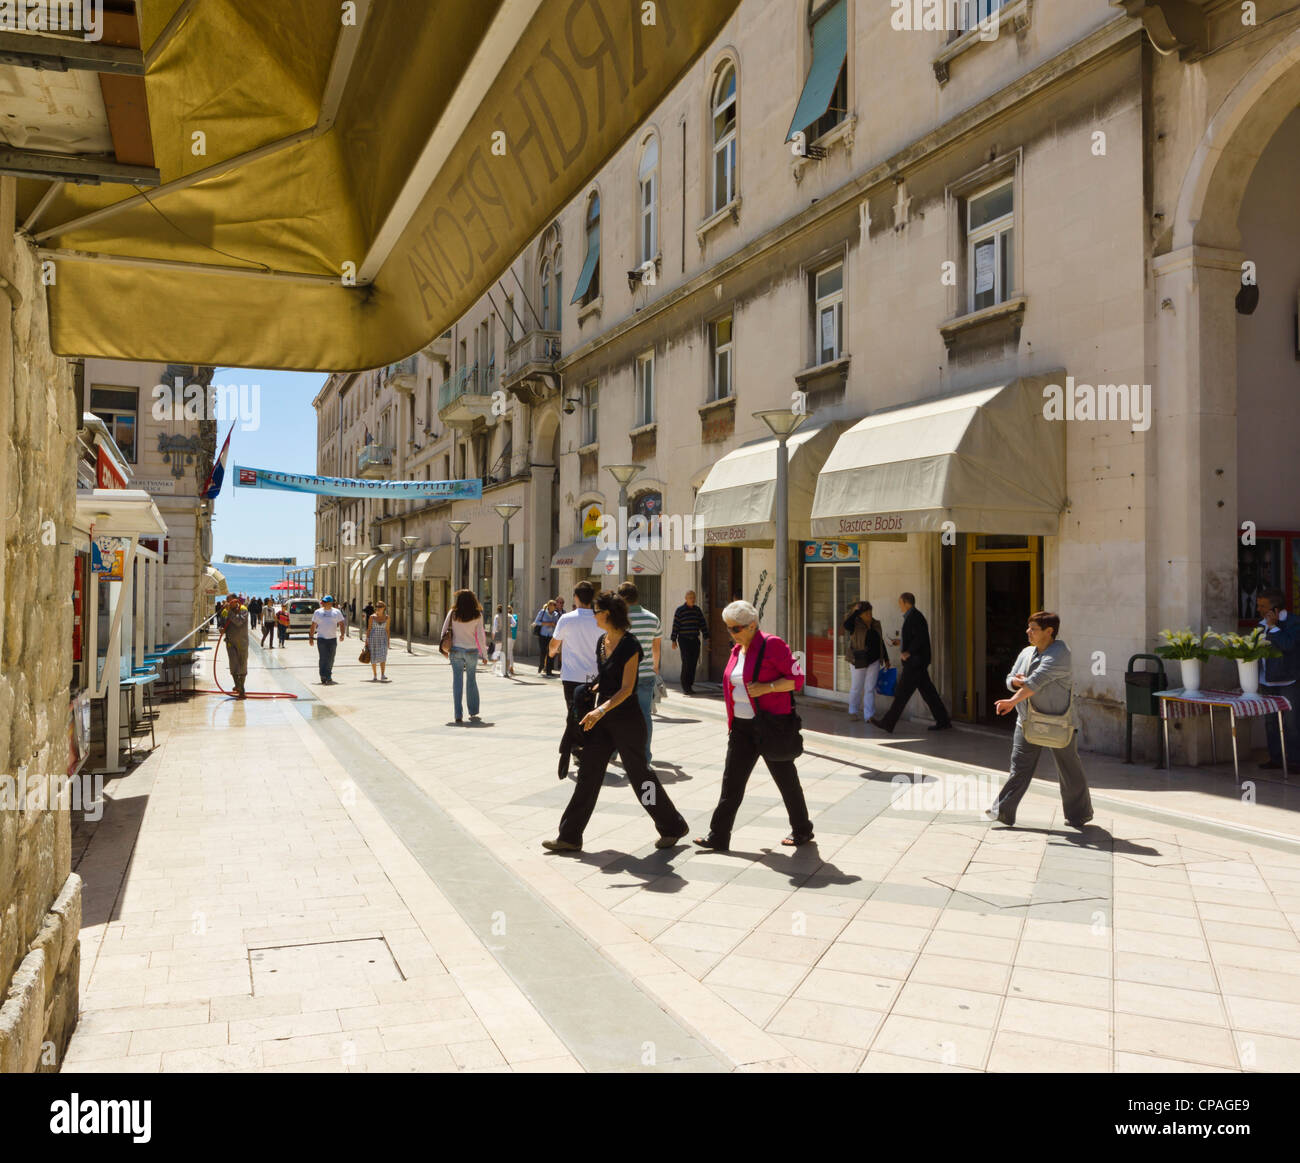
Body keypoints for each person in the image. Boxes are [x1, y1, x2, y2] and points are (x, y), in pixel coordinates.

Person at [543, 592, 689, 853]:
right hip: (604, 720)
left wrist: (599, 710)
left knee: (640, 777)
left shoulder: (630, 644)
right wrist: (591, 690)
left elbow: (626, 688)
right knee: (589, 773)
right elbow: (607, 678)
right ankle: (570, 835)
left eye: (597, 611)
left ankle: (671, 825)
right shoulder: (602, 641)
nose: (594, 615)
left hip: (627, 720)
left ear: (607, 614)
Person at [695, 600, 814, 851]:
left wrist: (767, 688)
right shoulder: (737, 650)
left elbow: (797, 679)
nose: (731, 633)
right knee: (732, 783)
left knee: (786, 781)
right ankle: (718, 835)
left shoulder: (773, 645)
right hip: (741, 727)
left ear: (752, 625)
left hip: (770, 726)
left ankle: (802, 830)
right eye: (728, 628)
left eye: (735, 628)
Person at [985, 611, 1093, 828]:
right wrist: (1014, 683)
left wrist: (1011, 701)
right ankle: (1003, 811)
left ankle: (1079, 814)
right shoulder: (1026, 652)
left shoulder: (1060, 652)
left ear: (1049, 632)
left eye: (1033, 629)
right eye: (1028, 628)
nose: (1028, 632)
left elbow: (1036, 682)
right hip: (1027, 720)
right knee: (1019, 768)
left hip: (1058, 722)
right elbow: (1011, 678)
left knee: (1069, 769)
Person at [871, 592, 952, 733]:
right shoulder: (913, 617)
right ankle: (943, 720)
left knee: (901, 694)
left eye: (900, 603)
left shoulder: (915, 617)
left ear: (906, 603)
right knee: (929, 693)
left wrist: (908, 652)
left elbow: (920, 639)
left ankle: (887, 723)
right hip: (917, 663)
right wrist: (901, 643)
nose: (899, 606)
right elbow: (914, 638)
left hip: (915, 663)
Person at [617, 582, 661, 764]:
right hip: (646, 674)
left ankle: (614, 751)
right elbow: (656, 648)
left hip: (622, 676)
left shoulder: (619, 620)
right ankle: (645, 755)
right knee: (644, 715)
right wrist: (655, 668)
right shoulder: (653, 618)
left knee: (618, 714)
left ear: (622, 598)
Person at [1258, 588, 1299, 773]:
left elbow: (1288, 645)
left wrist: (1274, 627)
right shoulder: (1261, 624)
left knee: (1291, 723)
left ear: (1275, 608)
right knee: (1270, 721)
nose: (1258, 608)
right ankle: (1275, 758)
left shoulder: (1293, 622)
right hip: (1267, 680)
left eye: (1263, 606)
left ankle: (1295, 761)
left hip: (1287, 679)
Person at [550, 581, 603, 712]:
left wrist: (552, 653)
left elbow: (553, 644)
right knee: (589, 711)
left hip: (571, 675)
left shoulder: (566, 619)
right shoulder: (599, 619)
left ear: (576, 597)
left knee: (573, 713)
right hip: (593, 675)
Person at [441, 589, 488, 722]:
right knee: (471, 680)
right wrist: (484, 654)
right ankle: (473, 711)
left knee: (457, 681)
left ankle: (458, 714)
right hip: (472, 651)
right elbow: (480, 636)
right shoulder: (477, 614)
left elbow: (443, 631)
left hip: (456, 650)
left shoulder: (453, 613)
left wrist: (445, 650)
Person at [844, 600, 888, 721]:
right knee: (856, 687)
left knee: (870, 688)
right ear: (860, 615)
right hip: (858, 659)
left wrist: (886, 658)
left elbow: (881, 642)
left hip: (873, 660)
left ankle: (869, 715)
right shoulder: (855, 624)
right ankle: (853, 711)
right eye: (866, 613)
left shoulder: (876, 624)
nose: (869, 616)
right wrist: (856, 611)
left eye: (870, 612)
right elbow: (846, 625)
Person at [671, 590, 709, 694]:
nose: (692, 599)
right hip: (684, 640)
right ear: (686, 598)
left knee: (693, 663)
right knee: (686, 662)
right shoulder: (680, 610)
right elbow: (675, 626)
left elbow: (703, 624)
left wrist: (706, 637)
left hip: (695, 640)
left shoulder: (697, 611)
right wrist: (673, 640)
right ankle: (685, 686)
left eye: (694, 598)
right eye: (690, 597)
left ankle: (690, 686)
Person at [309, 594, 348, 685]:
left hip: (332, 639)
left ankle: (328, 675)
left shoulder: (336, 612)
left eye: (325, 602)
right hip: (321, 638)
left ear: (330, 603)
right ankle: (323, 675)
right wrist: (311, 637)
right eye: (323, 602)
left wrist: (342, 634)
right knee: (323, 658)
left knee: (331, 658)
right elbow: (313, 625)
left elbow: (342, 623)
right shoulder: (317, 612)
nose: (323, 603)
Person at [217, 593, 251, 697]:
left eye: (230, 601)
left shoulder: (243, 609)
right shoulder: (224, 611)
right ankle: (238, 685)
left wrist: (230, 612)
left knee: (242, 665)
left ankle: (241, 687)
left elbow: (239, 621)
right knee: (233, 664)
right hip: (230, 642)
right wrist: (221, 629)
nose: (228, 603)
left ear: (236, 600)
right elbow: (221, 623)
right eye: (227, 601)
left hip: (242, 642)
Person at [366, 599, 391, 682]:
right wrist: (367, 640)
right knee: (373, 657)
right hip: (373, 639)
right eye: (377, 606)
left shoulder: (387, 618)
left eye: (380, 606)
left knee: (383, 655)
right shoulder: (372, 617)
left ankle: (383, 674)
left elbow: (387, 630)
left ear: (384, 608)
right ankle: (375, 675)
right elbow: (369, 629)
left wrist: (388, 641)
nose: (378, 608)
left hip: (383, 638)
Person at [533, 599, 560, 675]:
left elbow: (557, 624)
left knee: (551, 652)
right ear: (549, 606)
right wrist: (547, 624)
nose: (554, 607)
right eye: (553, 605)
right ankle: (541, 666)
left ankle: (549, 670)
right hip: (543, 635)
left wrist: (554, 624)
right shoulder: (542, 612)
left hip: (551, 636)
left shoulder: (556, 614)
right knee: (543, 652)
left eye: (555, 606)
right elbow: (536, 622)